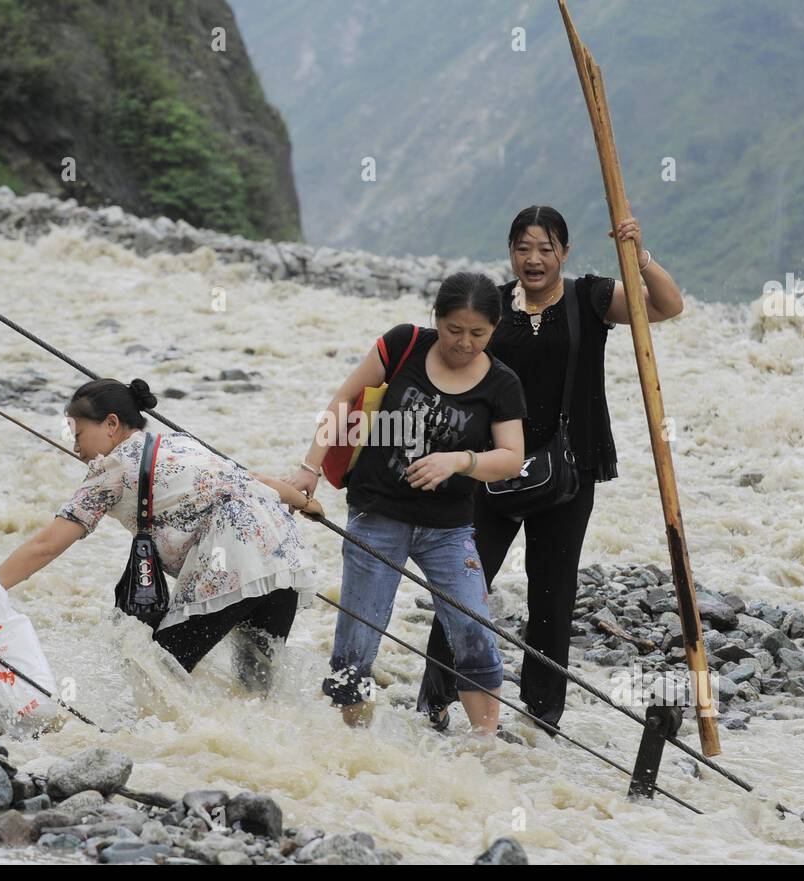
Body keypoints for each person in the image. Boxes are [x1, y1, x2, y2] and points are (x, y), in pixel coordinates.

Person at [416, 206, 684, 736]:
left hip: (567, 471)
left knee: (552, 594)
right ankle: (435, 700)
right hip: (491, 468)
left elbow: (666, 307)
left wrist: (640, 256)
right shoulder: (491, 305)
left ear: (565, 252)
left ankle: (542, 717)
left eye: (545, 248)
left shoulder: (592, 298)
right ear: (511, 251)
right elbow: (450, 363)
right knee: (464, 586)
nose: (533, 259)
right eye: (523, 248)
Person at [0, 377, 324, 689]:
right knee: (256, 684)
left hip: (235, 567)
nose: (75, 447)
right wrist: (304, 504)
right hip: (284, 561)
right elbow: (250, 478)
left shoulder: (112, 470)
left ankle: (171, 756)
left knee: (157, 672)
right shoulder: (178, 443)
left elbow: (46, 544)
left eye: (77, 434)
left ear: (111, 425)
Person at [285, 272, 527, 734]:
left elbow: (512, 458)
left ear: (494, 329)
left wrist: (458, 460)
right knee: (358, 640)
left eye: (478, 334)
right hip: (378, 515)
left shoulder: (501, 383)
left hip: (449, 529)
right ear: (437, 318)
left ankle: (486, 745)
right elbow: (344, 399)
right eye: (455, 330)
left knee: (473, 629)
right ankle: (349, 743)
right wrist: (309, 468)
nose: (464, 343)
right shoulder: (404, 344)